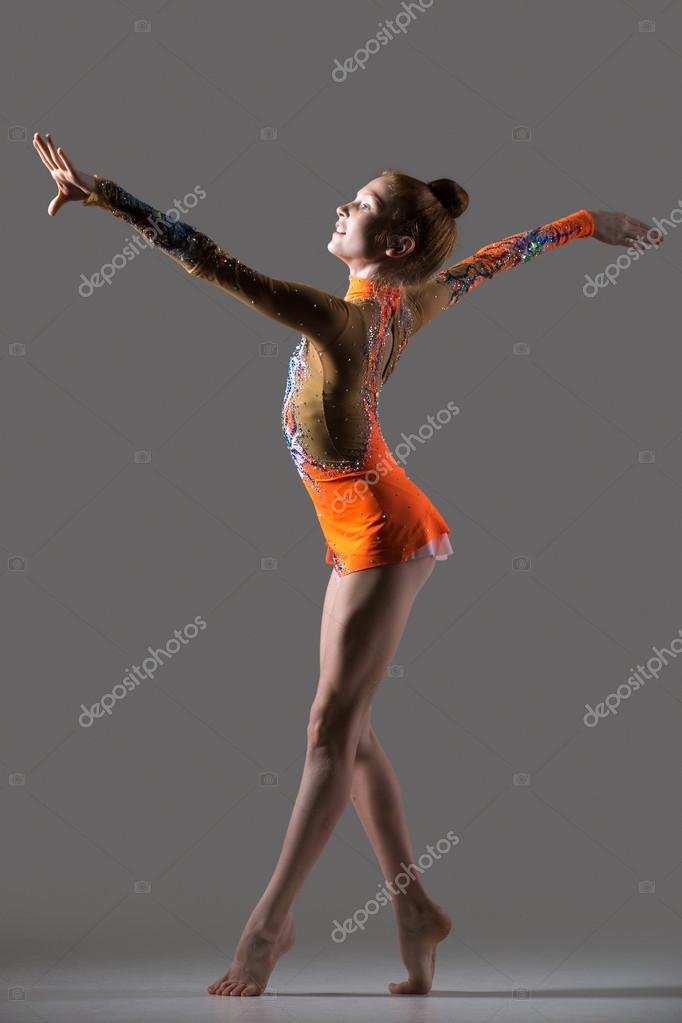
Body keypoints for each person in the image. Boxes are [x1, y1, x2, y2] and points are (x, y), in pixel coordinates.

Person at [32, 132, 662, 997]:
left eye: (359, 205)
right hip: (354, 528)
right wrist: (588, 221)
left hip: (384, 532)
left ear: (395, 245)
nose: (341, 206)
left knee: (329, 731)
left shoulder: (344, 319)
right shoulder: (411, 302)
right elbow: (496, 258)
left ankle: (268, 926)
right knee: (344, 729)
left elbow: (213, 261)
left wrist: (107, 195)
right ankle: (415, 910)